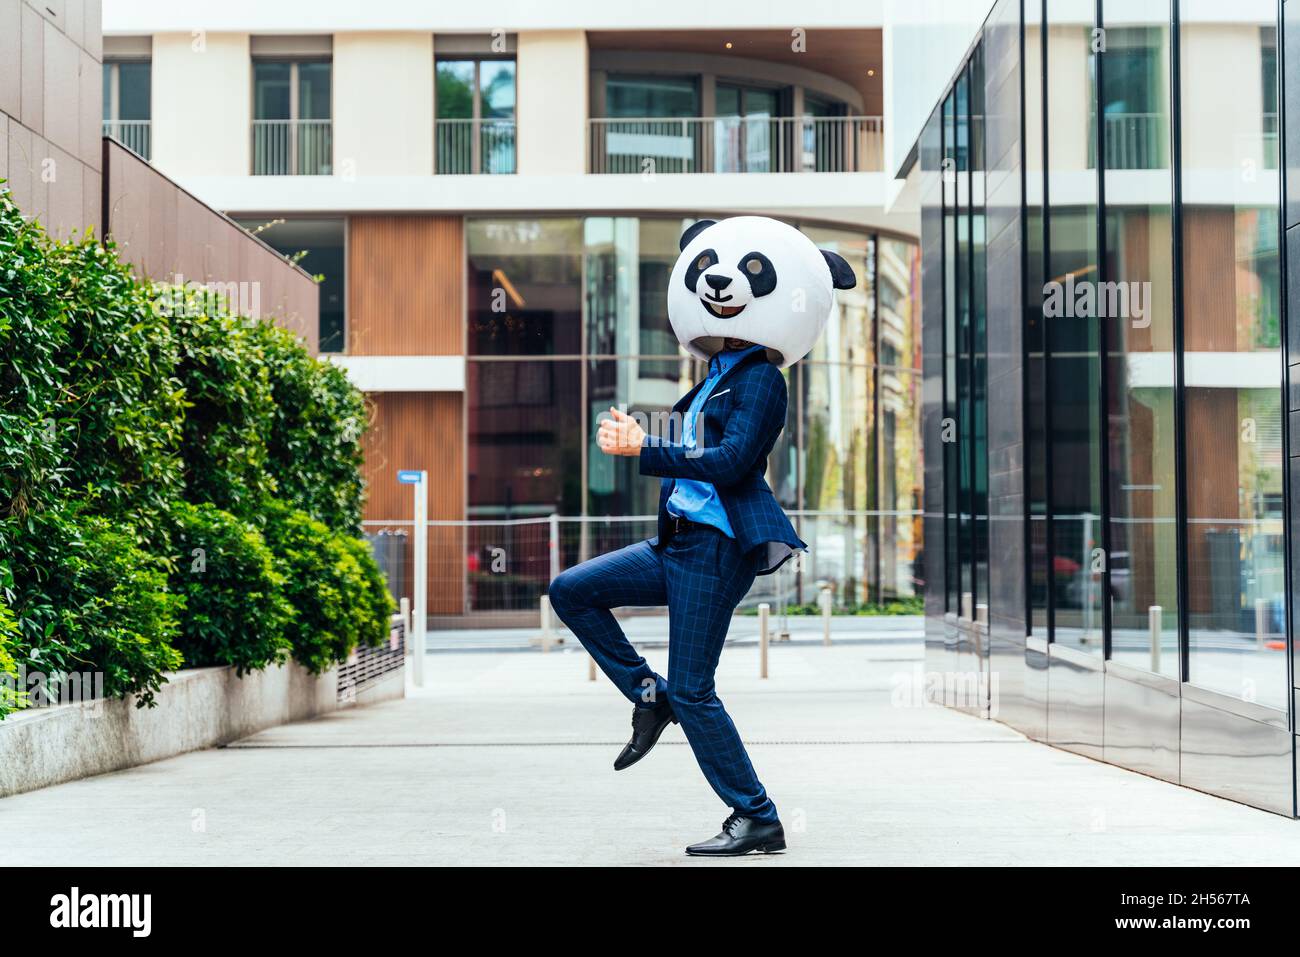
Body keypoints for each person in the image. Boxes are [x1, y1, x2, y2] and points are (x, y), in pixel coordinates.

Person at [547, 216, 855, 856]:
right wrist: (640, 440)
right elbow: (697, 450)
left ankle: (758, 816)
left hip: (715, 551)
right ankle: (646, 693)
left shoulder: (764, 379)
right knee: (571, 590)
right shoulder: (715, 372)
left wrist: (644, 448)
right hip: (676, 544)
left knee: (696, 689)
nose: (721, 283)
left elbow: (734, 460)